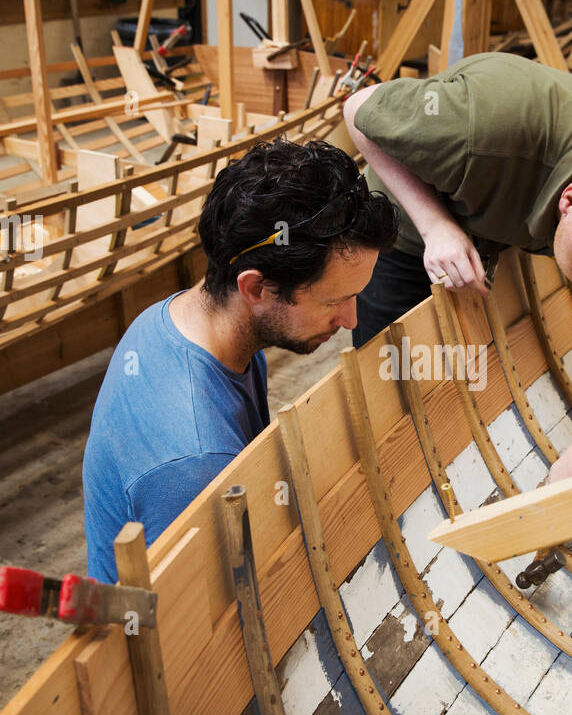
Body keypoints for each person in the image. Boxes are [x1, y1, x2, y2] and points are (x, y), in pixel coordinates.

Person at [343, 51, 572, 485]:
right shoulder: (474, 129)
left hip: (495, 205)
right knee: (393, 377)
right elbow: (357, 109)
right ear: (569, 202)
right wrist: (435, 225)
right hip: (408, 217)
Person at [83, 137, 398, 583]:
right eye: (336, 300)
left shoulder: (178, 318)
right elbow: (198, 631)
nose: (350, 320)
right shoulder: (196, 462)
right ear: (254, 288)